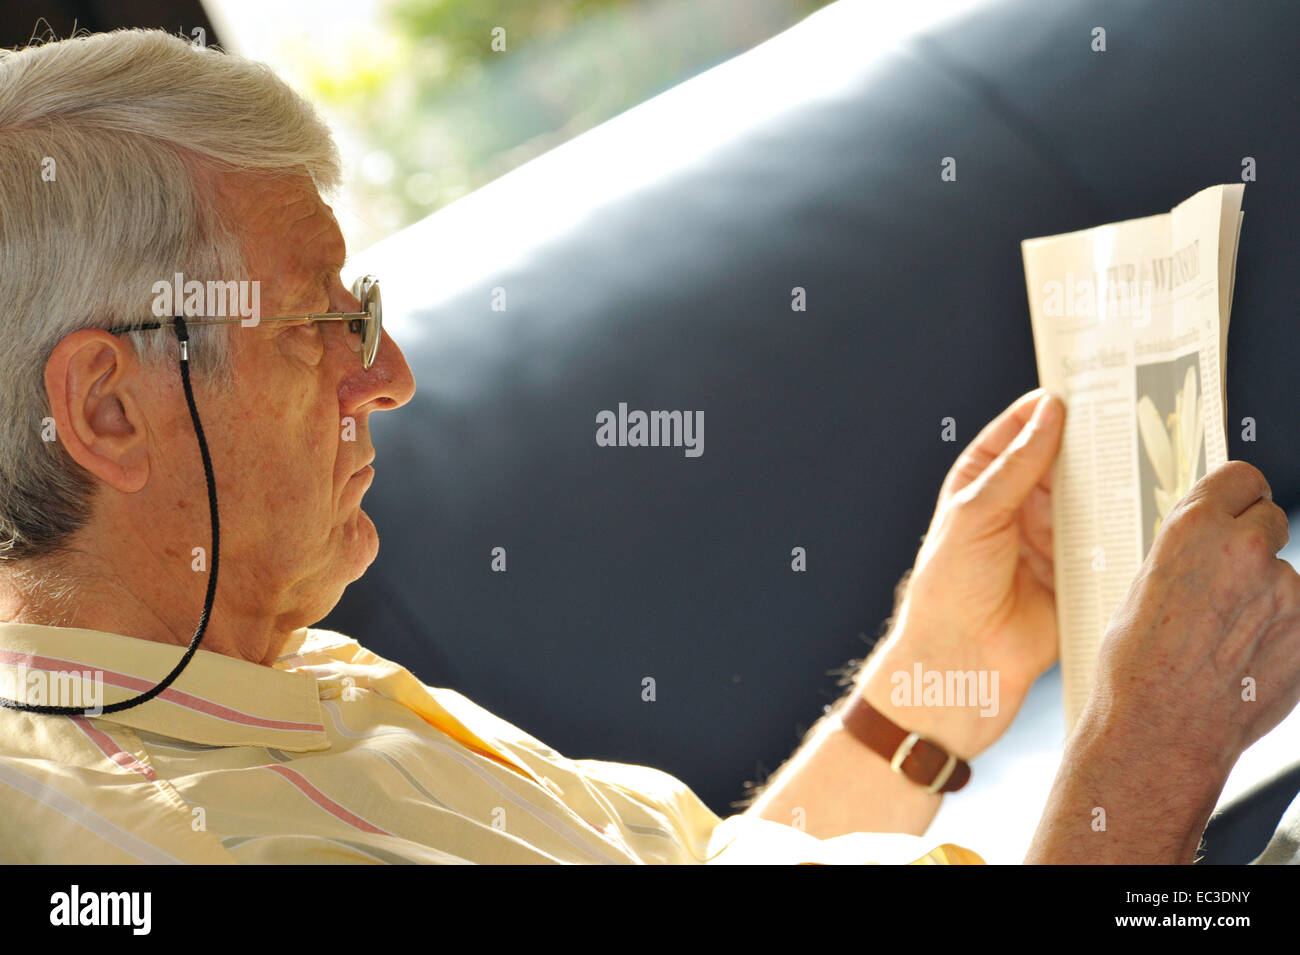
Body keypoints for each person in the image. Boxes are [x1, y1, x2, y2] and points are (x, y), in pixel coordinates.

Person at [1, 28, 1297, 865]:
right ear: (111, 409)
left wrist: (941, 676)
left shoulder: (286, 666)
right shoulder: (137, 845)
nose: (387, 380)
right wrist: (1147, 760)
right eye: (321, 328)